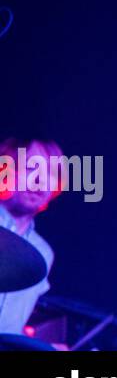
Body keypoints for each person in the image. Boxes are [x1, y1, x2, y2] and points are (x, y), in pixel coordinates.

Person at [0, 136, 60, 336]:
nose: (39, 180)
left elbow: (11, 327)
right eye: (30, 168)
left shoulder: (43, 253)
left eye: (49, 173)